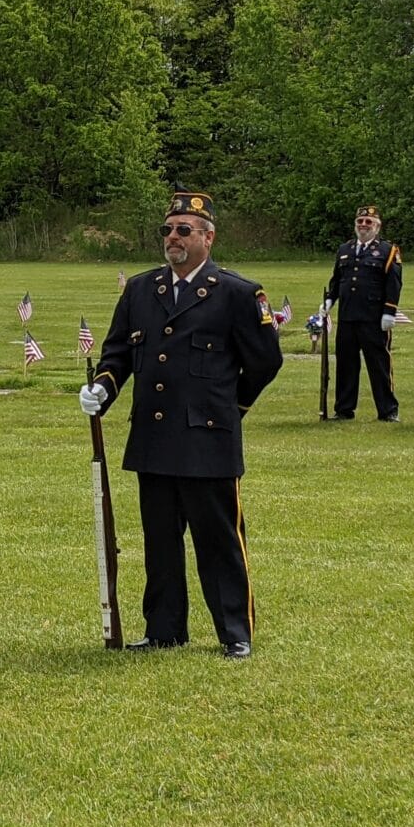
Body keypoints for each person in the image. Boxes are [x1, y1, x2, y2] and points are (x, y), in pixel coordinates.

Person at [81, 193, 283, 659]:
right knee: (160, 543)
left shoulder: (236, 292)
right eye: (168, 229)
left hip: (207, 438)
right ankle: (164, 629)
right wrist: (104, 389)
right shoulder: (140, 289)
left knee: (219, 541)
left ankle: (235, 632)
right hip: (154, 437)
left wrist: (234, 408)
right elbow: (117, 354)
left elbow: (265, 361)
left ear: (207, 238)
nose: (172, 238)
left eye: (183, 230)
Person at [323, 204, 402, 422]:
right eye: (360, 222)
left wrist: (390, 311)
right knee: (346, 364)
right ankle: (344, 409)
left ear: (377, 226)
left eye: (369, 222)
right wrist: (330, 299)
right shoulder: (345, 250)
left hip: (374, 318)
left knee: (379, 365)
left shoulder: (388, 251)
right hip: (348, 316)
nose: (364, 225)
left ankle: (388, 410)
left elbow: (393, 284)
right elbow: (338, 280)